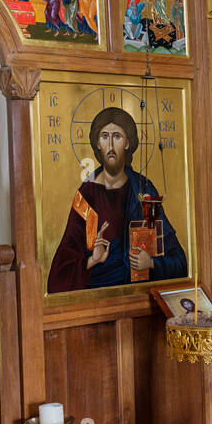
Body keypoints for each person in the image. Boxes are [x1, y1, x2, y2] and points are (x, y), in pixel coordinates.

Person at [47, 106, 188, 292]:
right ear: (97, 143)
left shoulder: (143, 190)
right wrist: (93, 260)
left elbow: (179, 262)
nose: (111, 147)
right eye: (105, 137)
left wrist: (151, 263)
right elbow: (59, 275)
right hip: (97, 298)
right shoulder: (86, 196)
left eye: (117, 137)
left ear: (128, 143)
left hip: (139, 297)